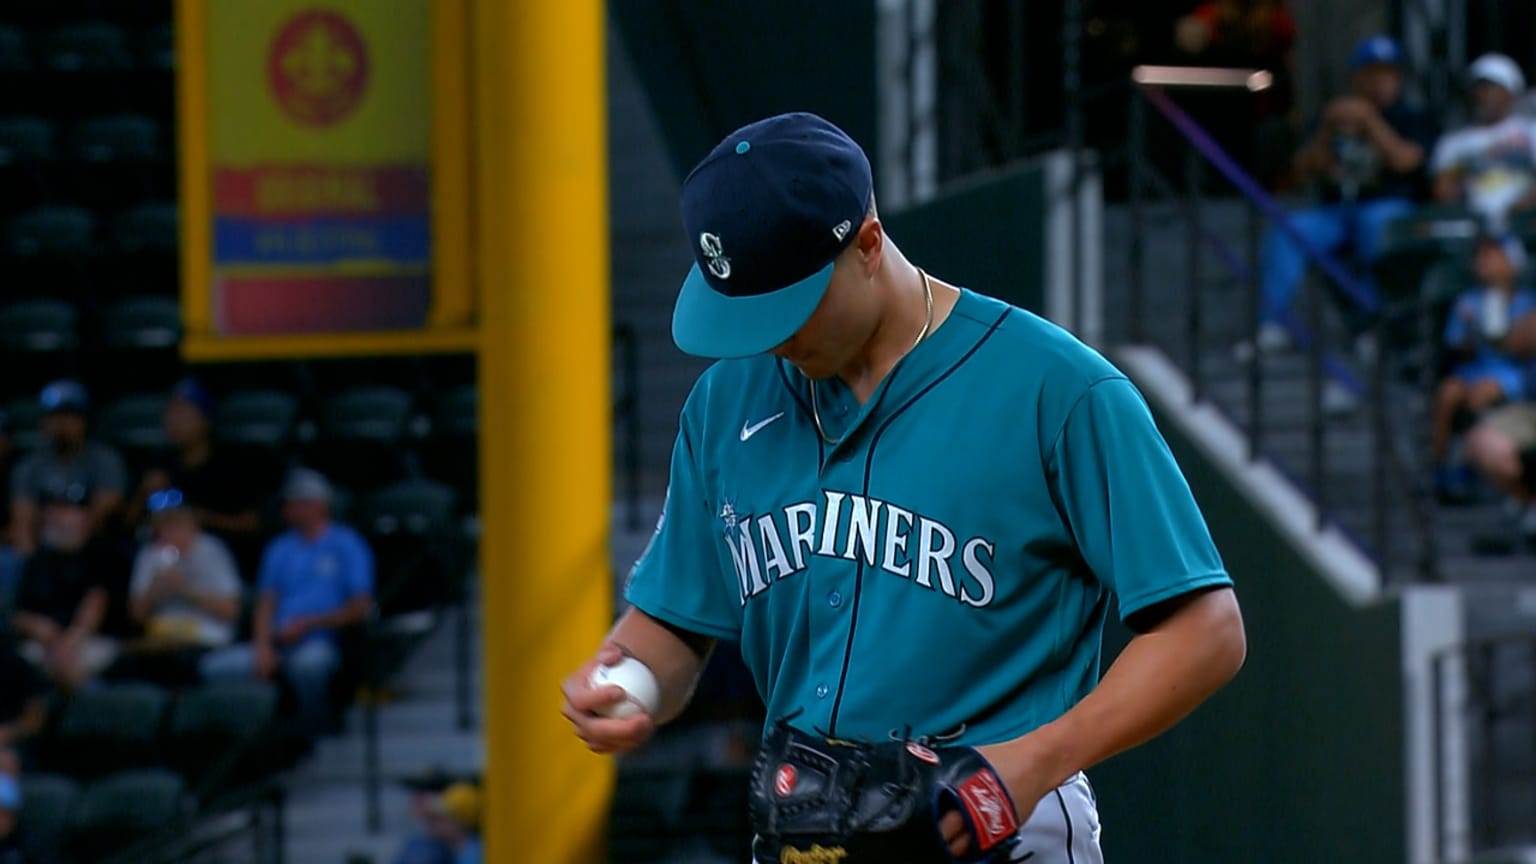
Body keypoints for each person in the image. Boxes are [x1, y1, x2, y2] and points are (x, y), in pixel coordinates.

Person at [560, 112, 1246, 861]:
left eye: (789, 306)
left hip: (994, 828)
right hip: (805, 830)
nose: (772, 338)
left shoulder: (1057, 390)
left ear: (867, 244)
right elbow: (678, 617)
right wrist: (630, 678)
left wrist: (1030, 765)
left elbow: (1205, 630)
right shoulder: (726, 403)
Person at [1240, 34, 1428, 358]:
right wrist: (1327, 128)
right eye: (1372, 73)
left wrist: (1371, 122)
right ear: (1356, 78)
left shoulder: (1409, 115)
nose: (1380, 81)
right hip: (1338, 209)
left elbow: (1406, 161)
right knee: (1290, 228)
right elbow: (1301, 171)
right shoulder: (1335, 115)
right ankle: (1272, 324)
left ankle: (1374, 325)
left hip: (1388, 205)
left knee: (1376, 224)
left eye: (1388, 73)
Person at [200, 469, 374, 737]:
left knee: (309, 667)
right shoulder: (279, 548)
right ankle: (255, 737)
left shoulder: (346, 544)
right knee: (216, 669)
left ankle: (318, 730)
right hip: (278, 641)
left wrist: (310, 623)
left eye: (294, 503)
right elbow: (265, 603)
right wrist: (262, 647)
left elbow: (360, 605)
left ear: (316, 505)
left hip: (323, 640)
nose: (287, 509)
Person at [127, 379, 265, 579]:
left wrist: (201, 518)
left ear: (205, 420)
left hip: (219, 563)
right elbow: (129, 525)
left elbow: (252, 525)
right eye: (170, 412)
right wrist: (143, 494)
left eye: (183, 413)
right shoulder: (159, 463)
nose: (173, 420)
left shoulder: (230, 466)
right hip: (166, 559)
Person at [1432, 234, 1536, 500]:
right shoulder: (1468, 301)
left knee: (1486, 392)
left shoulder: (1527, 302)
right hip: (1477, 366)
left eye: (1493, 257)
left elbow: (1519, 351)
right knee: (1449, 392)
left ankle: (1469, 467)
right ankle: (1439, 466)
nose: (1485, 264)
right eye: (1481, 258)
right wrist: (1469, 328)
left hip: (1512, 372)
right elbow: (1459, 350)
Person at [115, 489, 242, 685]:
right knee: (123, 666)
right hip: (160, 639)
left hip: (203, 639)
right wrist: (155, 590)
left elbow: (231, 611)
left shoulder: (213, 551)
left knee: (179, 666)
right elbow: (136, 616)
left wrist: (185, 591)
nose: (167, 532)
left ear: (192, 526)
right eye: (162, 525)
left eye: (174, 525)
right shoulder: (151, 555)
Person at [9, 486, 118, 692]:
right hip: (38, 643)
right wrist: (36, 627)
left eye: (69, 510)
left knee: (73, 664)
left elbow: (93, 610)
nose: (59, 517)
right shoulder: (36, 561)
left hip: (86, 642)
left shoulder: (100, 557)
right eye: (55, 510)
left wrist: (65, 642)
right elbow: (17, 614)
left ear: (86, 518)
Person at [9, 381, 127, 559]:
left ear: (83, 421)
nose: (61, 424)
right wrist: (30, 564)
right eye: (54, 417)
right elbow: (22, 521)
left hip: (93, 553)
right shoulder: (29, 466)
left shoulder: (104, 460)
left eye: (68, 416)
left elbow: (106, 510)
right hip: (43, 555)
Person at [1431, 53, 1536, 230]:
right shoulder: (1453, 141)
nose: (1482, 95)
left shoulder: (1530, 131)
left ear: (1510, 93)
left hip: (1525, 222)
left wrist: (1525, 205)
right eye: (1478, 88)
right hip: (1471, 224)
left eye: (1491, 88)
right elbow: (1442, 192)